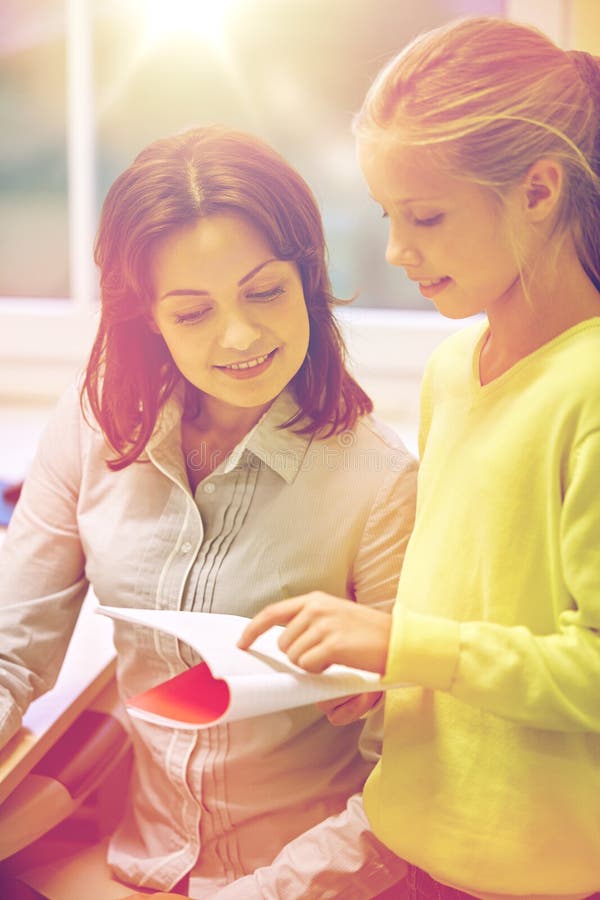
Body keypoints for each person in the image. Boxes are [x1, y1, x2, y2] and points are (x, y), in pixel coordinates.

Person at [0, 125, 417, 898]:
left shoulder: (381, 480)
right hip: (135, 865)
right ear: (148, 318)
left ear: (309, 278)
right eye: (192, 313)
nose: (241, 336)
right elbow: (11, 651)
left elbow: (407, 784)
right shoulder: (92, 426)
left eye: (265, 292)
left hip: (301, 879)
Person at [239, 16, 600, 900]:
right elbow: (475, 608)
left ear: (540, 191)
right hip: (414, 836)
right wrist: (391, 668)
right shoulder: (451, 370)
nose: (399, 251)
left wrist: (406, 640)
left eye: (427, 216)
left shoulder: (589, 390)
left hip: (541, 875)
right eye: (389, 216)